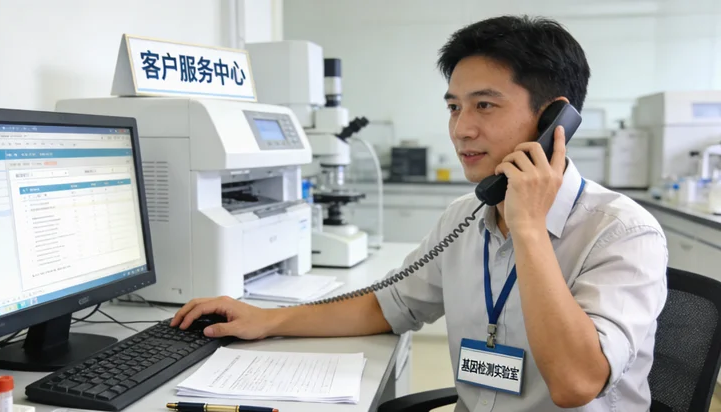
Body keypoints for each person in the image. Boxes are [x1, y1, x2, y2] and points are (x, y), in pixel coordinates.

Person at [171, 15, 668, 411]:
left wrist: (529, 228)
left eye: (485, 106)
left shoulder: (621, 232)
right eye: (454, 107)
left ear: (552, 120)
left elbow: (576, 383)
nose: (462, 129)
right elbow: (388, 305)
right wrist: (268, 319)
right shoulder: (464, 217)